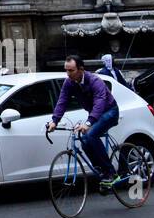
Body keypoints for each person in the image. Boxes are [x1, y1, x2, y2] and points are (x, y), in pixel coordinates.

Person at [47, 55, 122, 188]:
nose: (68, 74)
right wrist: (54, 121)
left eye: (71, 70)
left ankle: (111, 173)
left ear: (81, 69)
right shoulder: (69, 83)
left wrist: (88, 123)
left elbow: (99, 102)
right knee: (85, 140)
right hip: (95, 114)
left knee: (91, 135)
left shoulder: (94, 80)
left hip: (109, 111)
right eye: (66, 70)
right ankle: (100, 169)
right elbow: (62, 101)